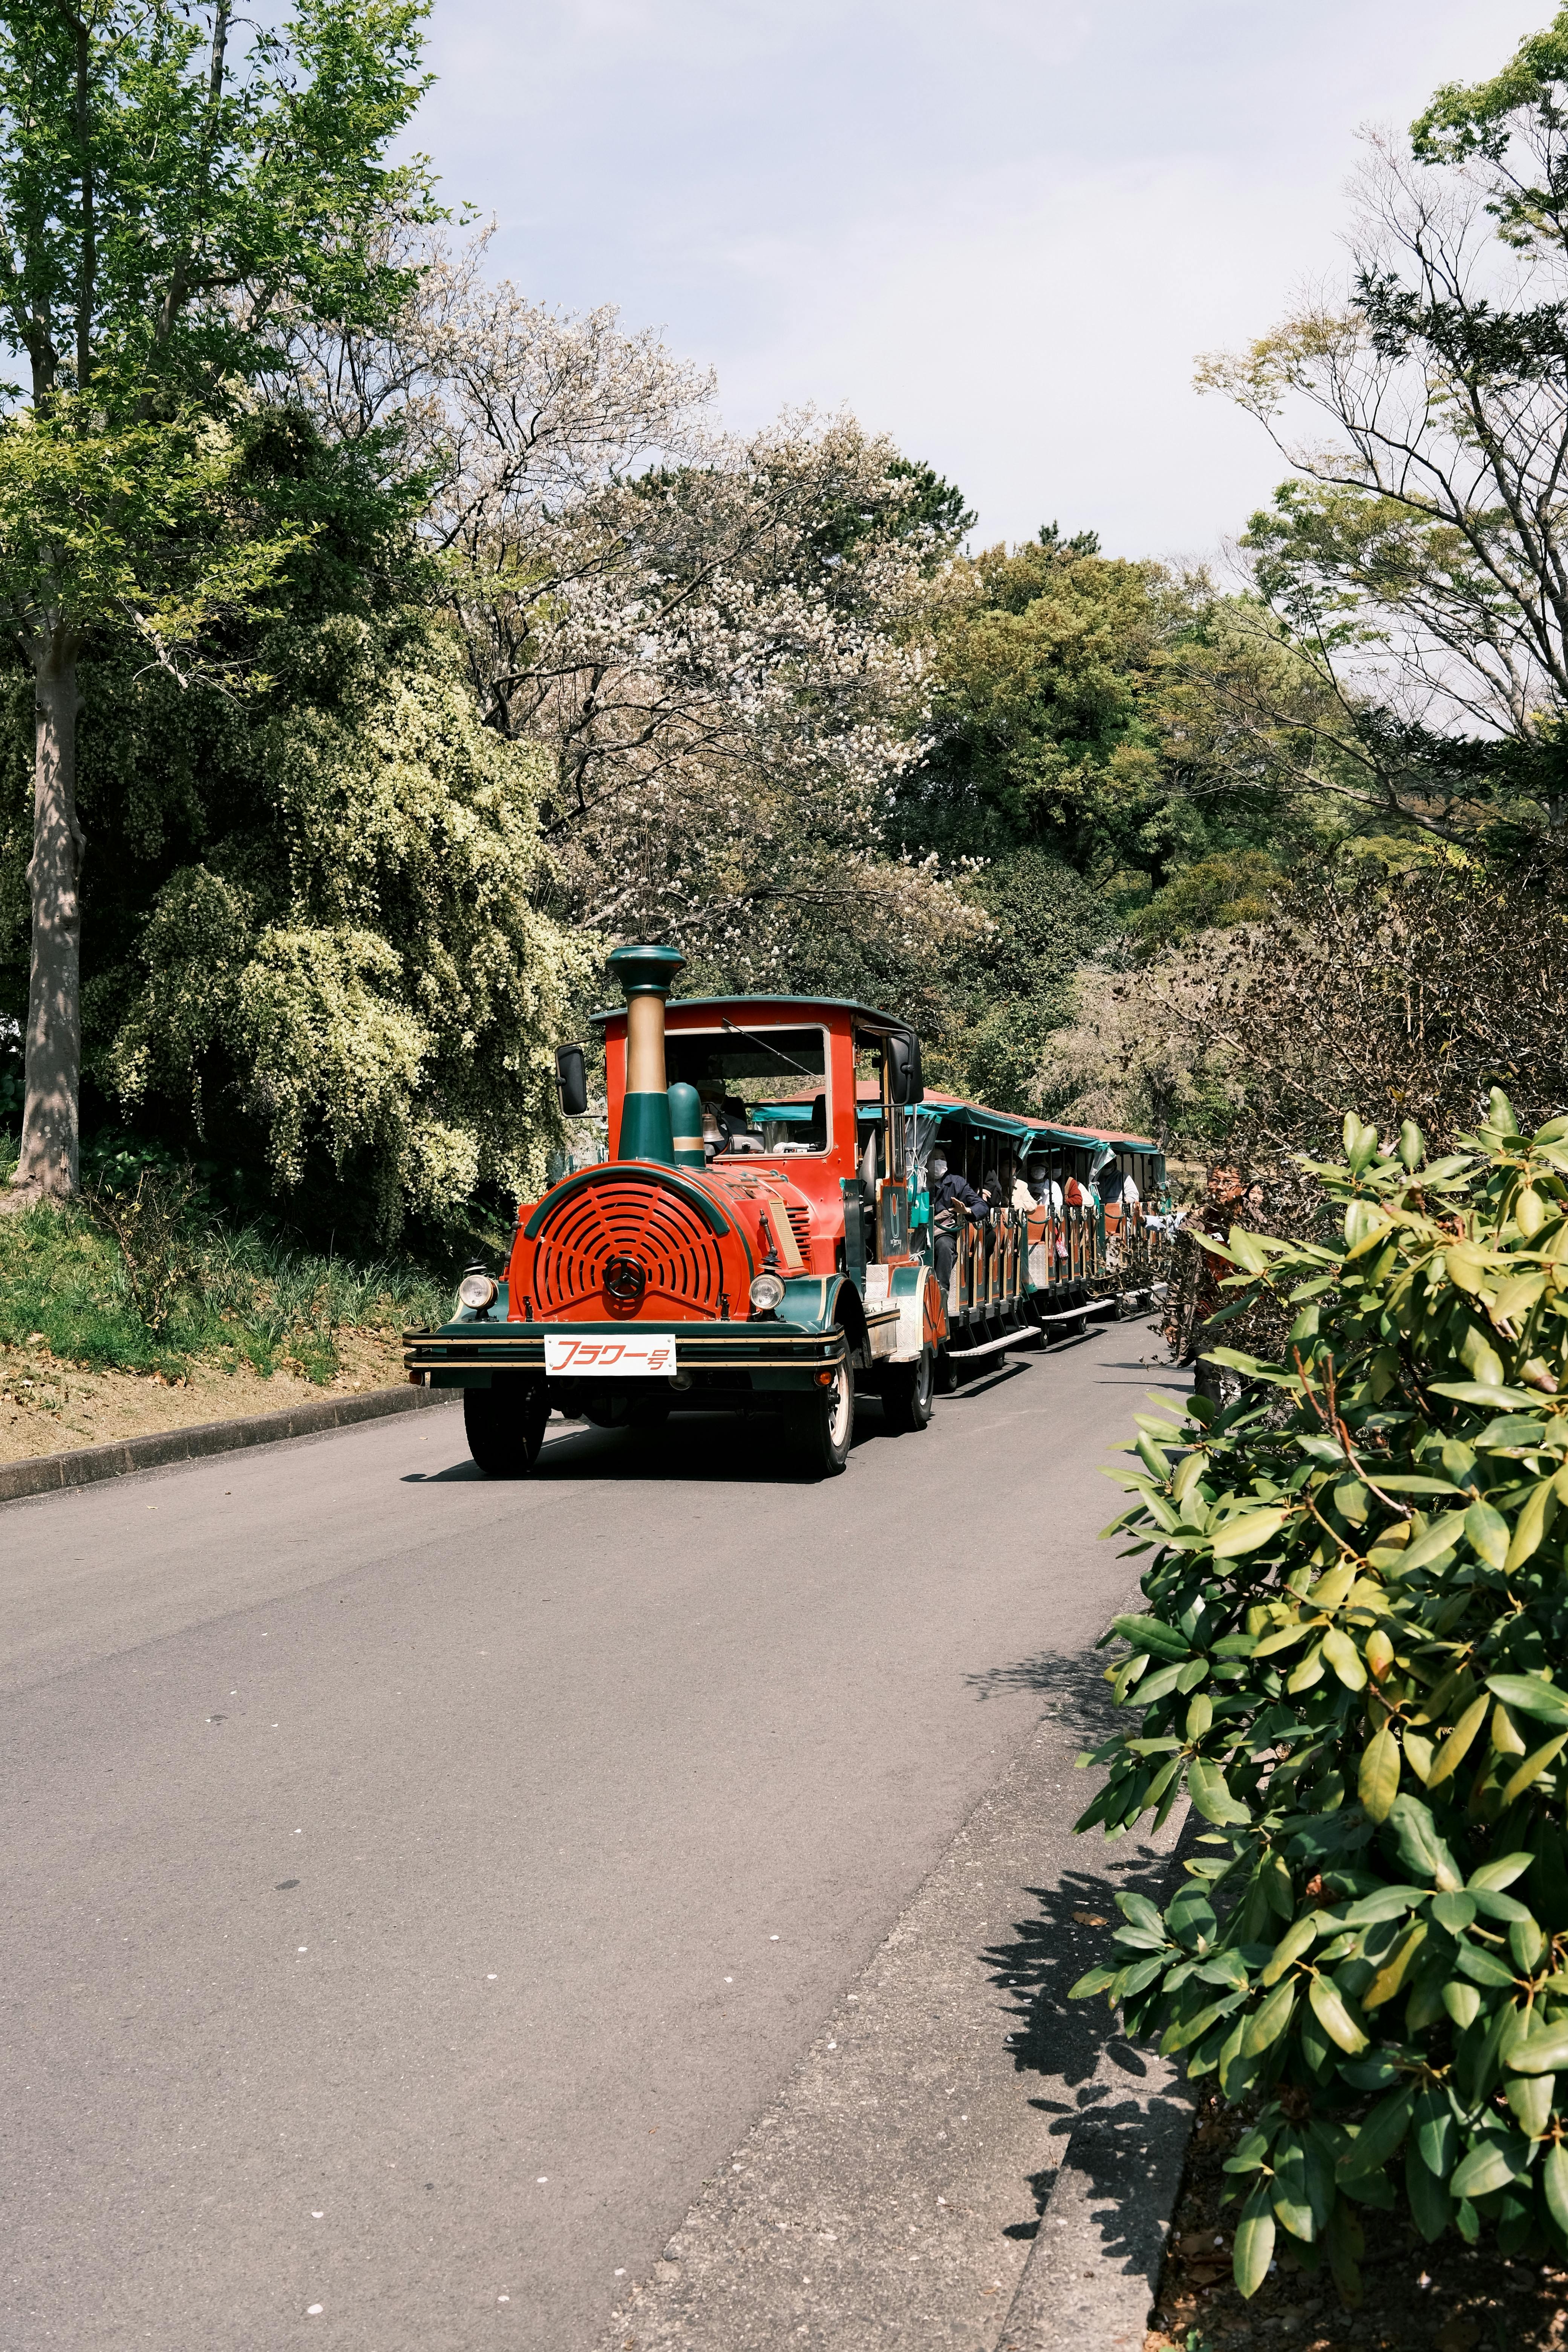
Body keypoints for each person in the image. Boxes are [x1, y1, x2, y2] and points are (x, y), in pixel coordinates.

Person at [927, 1148, 988, 1292]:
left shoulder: (957, 1182)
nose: (939, 1162)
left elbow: (982, 1207)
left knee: (944, 1246)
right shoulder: (916, 1181)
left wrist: (967, 1211)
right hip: (918, 1231)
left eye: (943, 1158)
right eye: (935, 1158)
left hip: (944, 1232)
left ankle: (941, 1292)